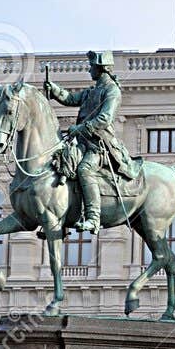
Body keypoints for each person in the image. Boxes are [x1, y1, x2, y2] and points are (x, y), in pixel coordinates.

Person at [44, 50, 138, 234]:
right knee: (59, 165)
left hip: (100, 144)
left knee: (84, 169)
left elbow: (104, 118)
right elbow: (70, 98)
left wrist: (81, 128)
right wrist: (53, 89)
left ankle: (93, 218)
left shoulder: (112, 90)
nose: (89, 70)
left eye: (92, 67)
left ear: (101, 69)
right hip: (81, 142)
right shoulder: (91, 92)